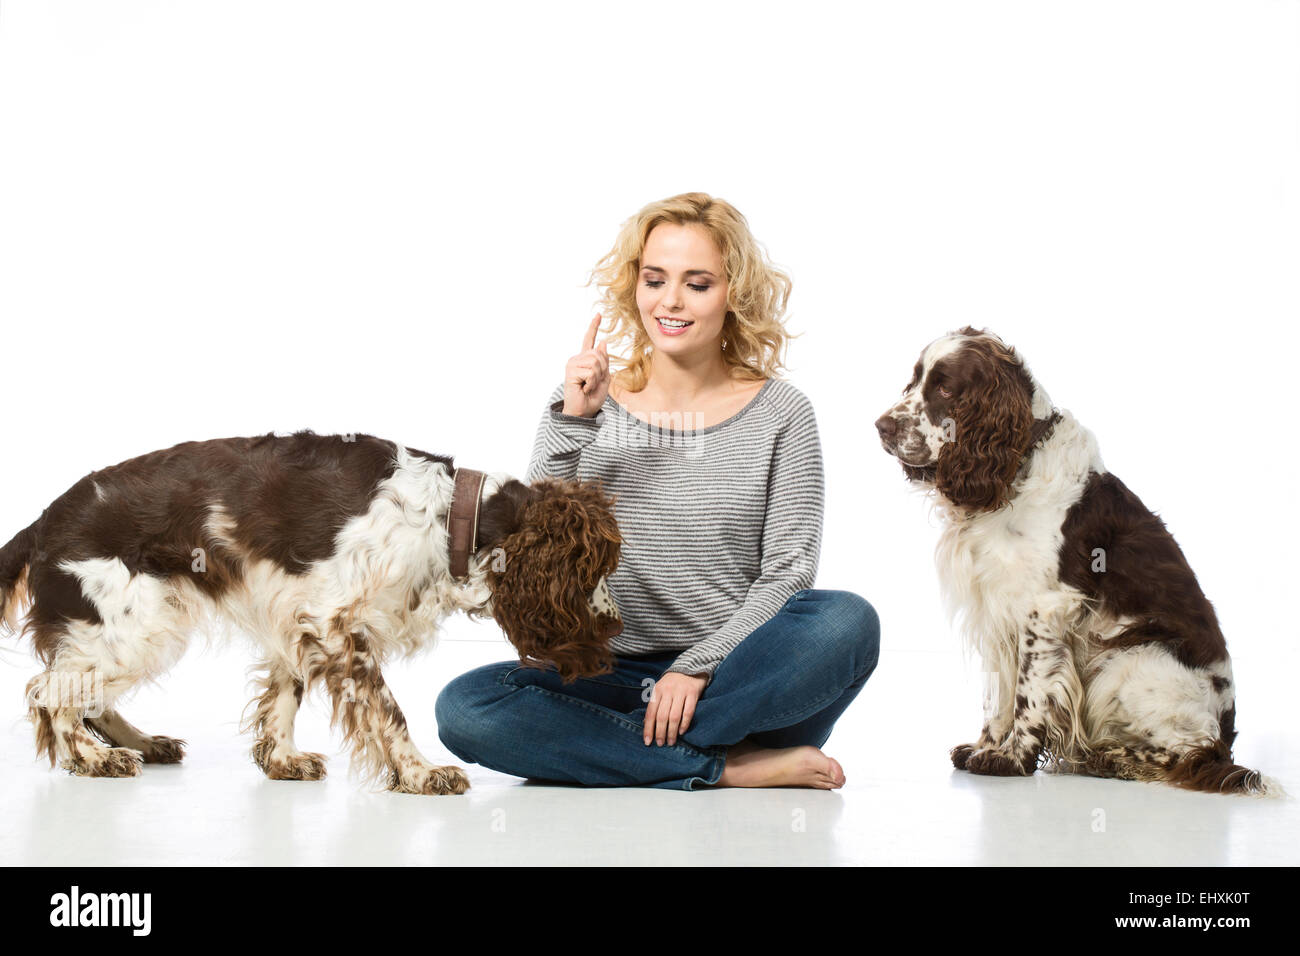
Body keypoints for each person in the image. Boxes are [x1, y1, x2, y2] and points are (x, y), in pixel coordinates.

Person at [436, 192, 879, 789]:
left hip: (736, 680)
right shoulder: (583, 402)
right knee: (465, 707)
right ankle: (721, 766)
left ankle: (611, 749)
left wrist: (697, 669)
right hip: (605, 673)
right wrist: (576, 420)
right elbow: (534, 545)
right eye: (655, 279)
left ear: (734, 294)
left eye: (697, 283)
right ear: (634, 286)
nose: (671, 301)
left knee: (846, 622)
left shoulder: (782, 413)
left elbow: (788, 573)